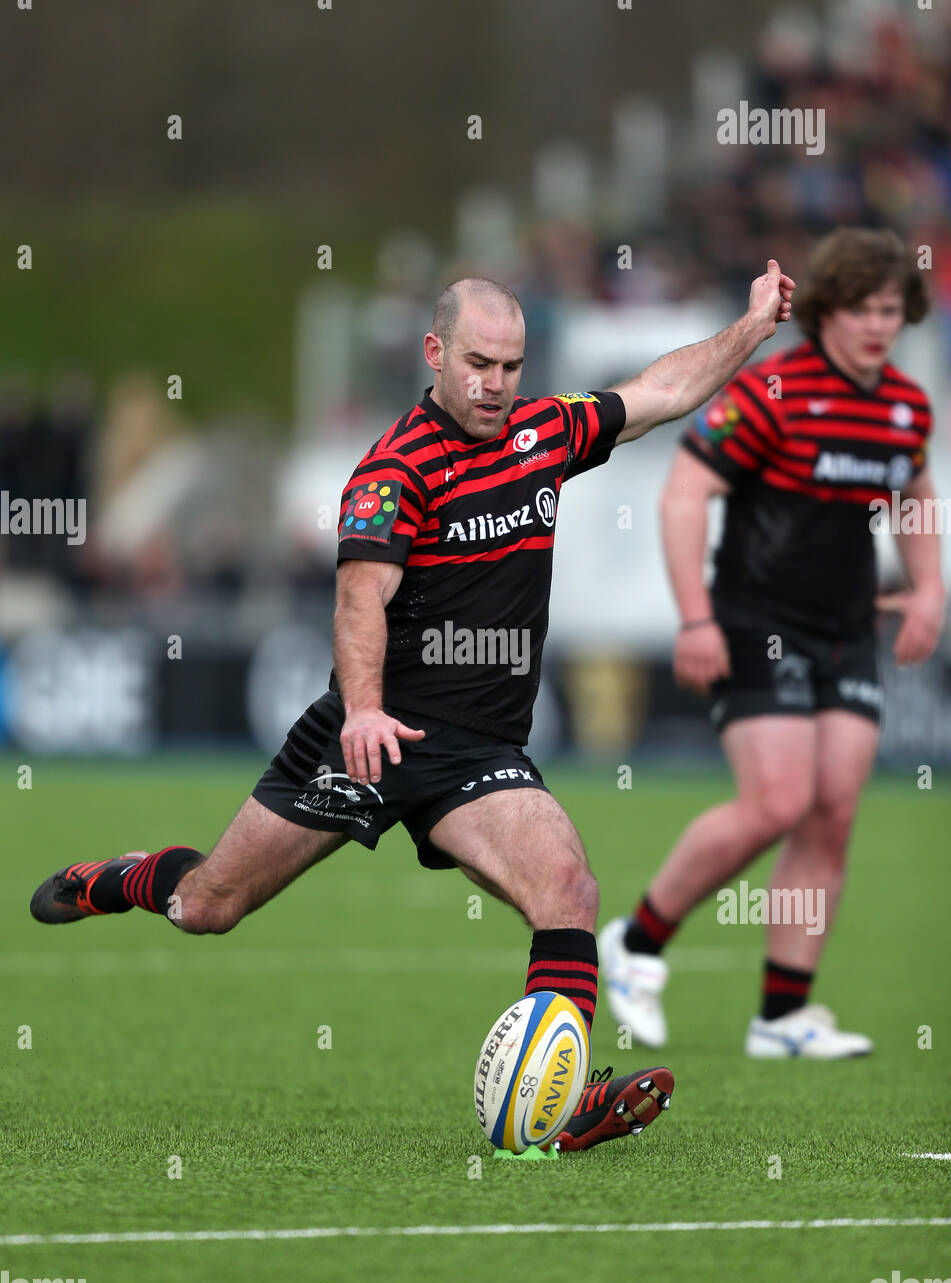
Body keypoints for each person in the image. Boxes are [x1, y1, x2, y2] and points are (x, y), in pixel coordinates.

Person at [31, 265, 794, 1147]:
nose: (495, 384)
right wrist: (360, 711)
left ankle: (559, 1103)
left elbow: (663, 389)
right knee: (210, 905)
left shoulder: (544, 432)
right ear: (434, 353)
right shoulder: (393, 470)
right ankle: (120, 878)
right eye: (478, 363)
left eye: (510, 366)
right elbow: (360, 597)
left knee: (568, 888)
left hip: (477, 754)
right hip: (373, 737)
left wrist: (749, 328)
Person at [600, 229, 944, 1059]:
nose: (874, 324)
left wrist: (929, 588)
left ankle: (781, 1016)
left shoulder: (904, 404)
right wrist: (694, 618)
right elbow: (685, 494)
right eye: (859, 308)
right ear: (825, 310)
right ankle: (635, 946)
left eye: (890, 310)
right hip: (755, 621)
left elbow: (914, 492)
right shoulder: (775, 391)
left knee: (831, 813)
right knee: (777, 803)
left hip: (847, 629)